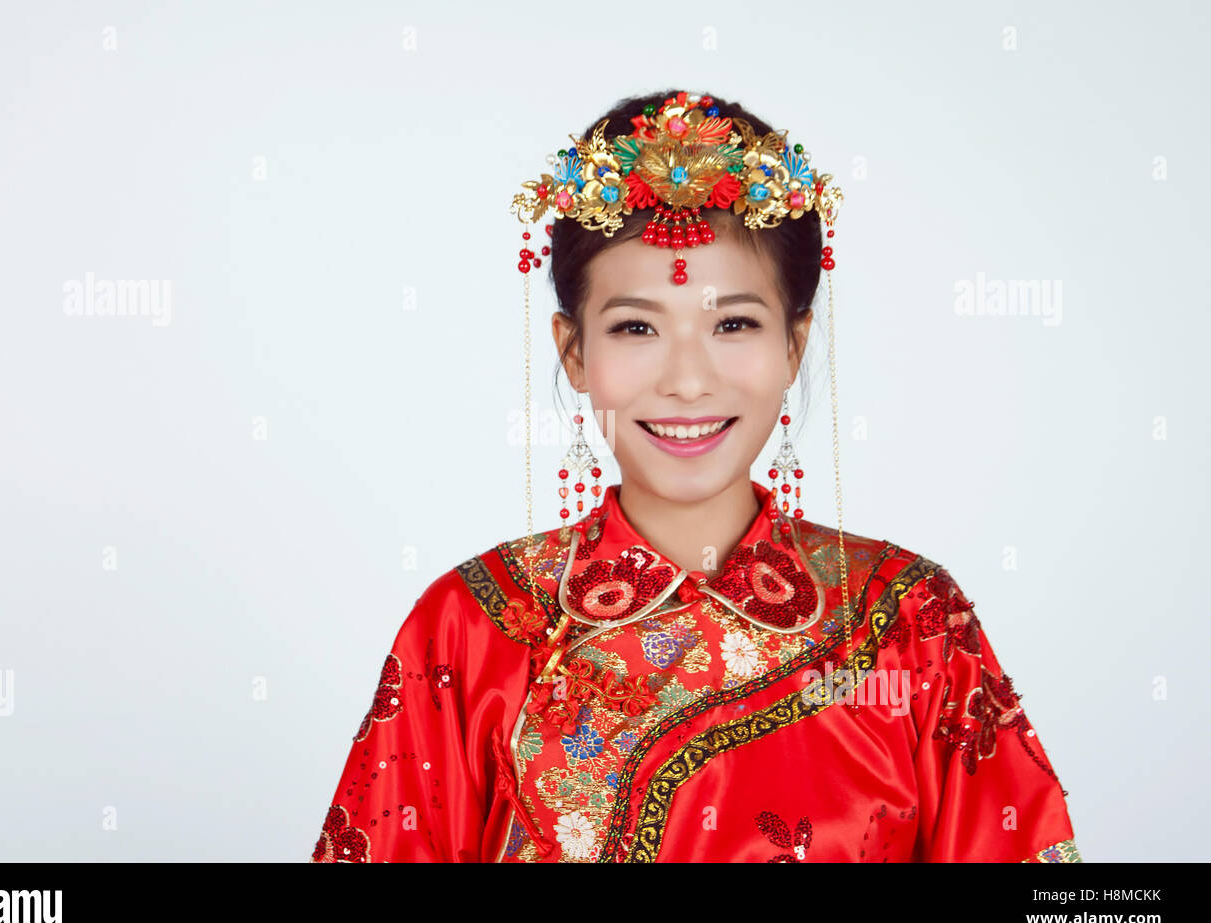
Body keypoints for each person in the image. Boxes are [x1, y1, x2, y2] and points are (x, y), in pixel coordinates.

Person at [309, 89, 1079, 863]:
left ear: (794, 346)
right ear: (574, 352)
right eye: (636, 327)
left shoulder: (911, 624)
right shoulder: (474, 631)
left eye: (733, 324)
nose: (686, 381)